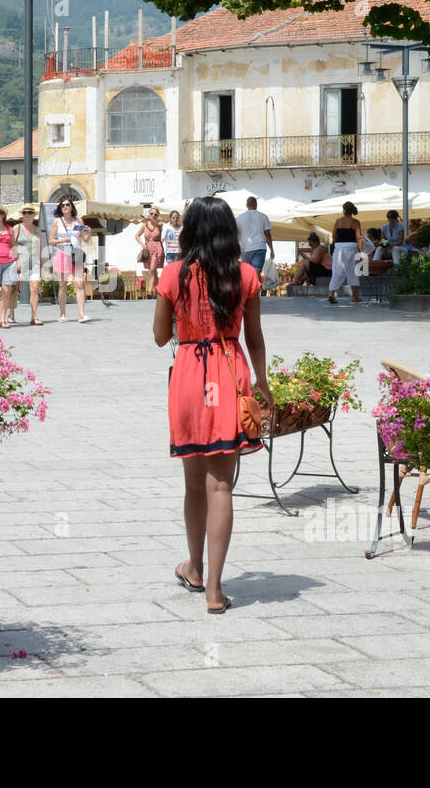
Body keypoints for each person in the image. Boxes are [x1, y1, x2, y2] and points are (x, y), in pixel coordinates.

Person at [153, 196, 272, 615]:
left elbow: (159, 337)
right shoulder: (245, 275)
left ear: (189, 231)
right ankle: (215, 591)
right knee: (221, 485)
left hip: (188, 375)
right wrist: (263, 382)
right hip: (229, 371)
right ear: (229, 231)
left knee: (192, 484)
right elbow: (254, 338)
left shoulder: (173, 274)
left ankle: (195, 567)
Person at [49, 198, 91, 322]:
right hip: (62, 253)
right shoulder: (57, 221)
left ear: (71, 206)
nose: (65, 207)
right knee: (62, 285)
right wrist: (62, 240)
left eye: (67, 205)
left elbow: (85, 239)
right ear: (60, 208)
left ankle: (81, 314)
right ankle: (62, 314)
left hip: (76, 254)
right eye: (62, 205)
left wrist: (89, 233)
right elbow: (51, 240)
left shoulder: (79, 221)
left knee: (80, 284)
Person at [11, 205, 45, 326]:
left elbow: (40, 247)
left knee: (34, 289)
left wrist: (42, 263)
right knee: (14, 290)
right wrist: (16, 260)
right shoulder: (17, 228)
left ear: (34, 215)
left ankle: (34, 317)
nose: (27, 215)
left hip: (34, 264)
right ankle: (11, 314)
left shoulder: (38, 230)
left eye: (29, 213)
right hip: (20, 263)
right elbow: (12, 246)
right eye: (25, 213)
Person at [327, 202, 363, 304]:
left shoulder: (338, 221)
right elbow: (358, 237)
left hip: (339, 247)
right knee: (353, 271)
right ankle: (354, 296)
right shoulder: (355, 222)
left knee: (337, 271)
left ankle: (332, 294)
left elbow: (334, 236)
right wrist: (361, 251)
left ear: (344, 210)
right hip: (352, 247)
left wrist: (336, 245)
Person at [236, 196, 273, 274]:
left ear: (246, 205)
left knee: (247, 274)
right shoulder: (263, 216)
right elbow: (268, 235)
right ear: (256, 205)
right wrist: (272, 250)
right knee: (257, 273)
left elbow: (236, 235)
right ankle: (258, 286)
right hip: (259, 247)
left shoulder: (239, 218)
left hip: (246, 249)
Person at [134, 207, 165, 298]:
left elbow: (158, 225)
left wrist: (149, 219)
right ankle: (158, 291)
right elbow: (137, 236)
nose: (153, 216)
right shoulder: (145, 225)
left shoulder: (160, 224)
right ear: (148, 214)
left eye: (156, 214)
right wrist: (143, 244)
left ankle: (150, 291)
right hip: (148, 250)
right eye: (151, 214)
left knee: (152, 269)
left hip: (157, 249)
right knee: (153, 272)